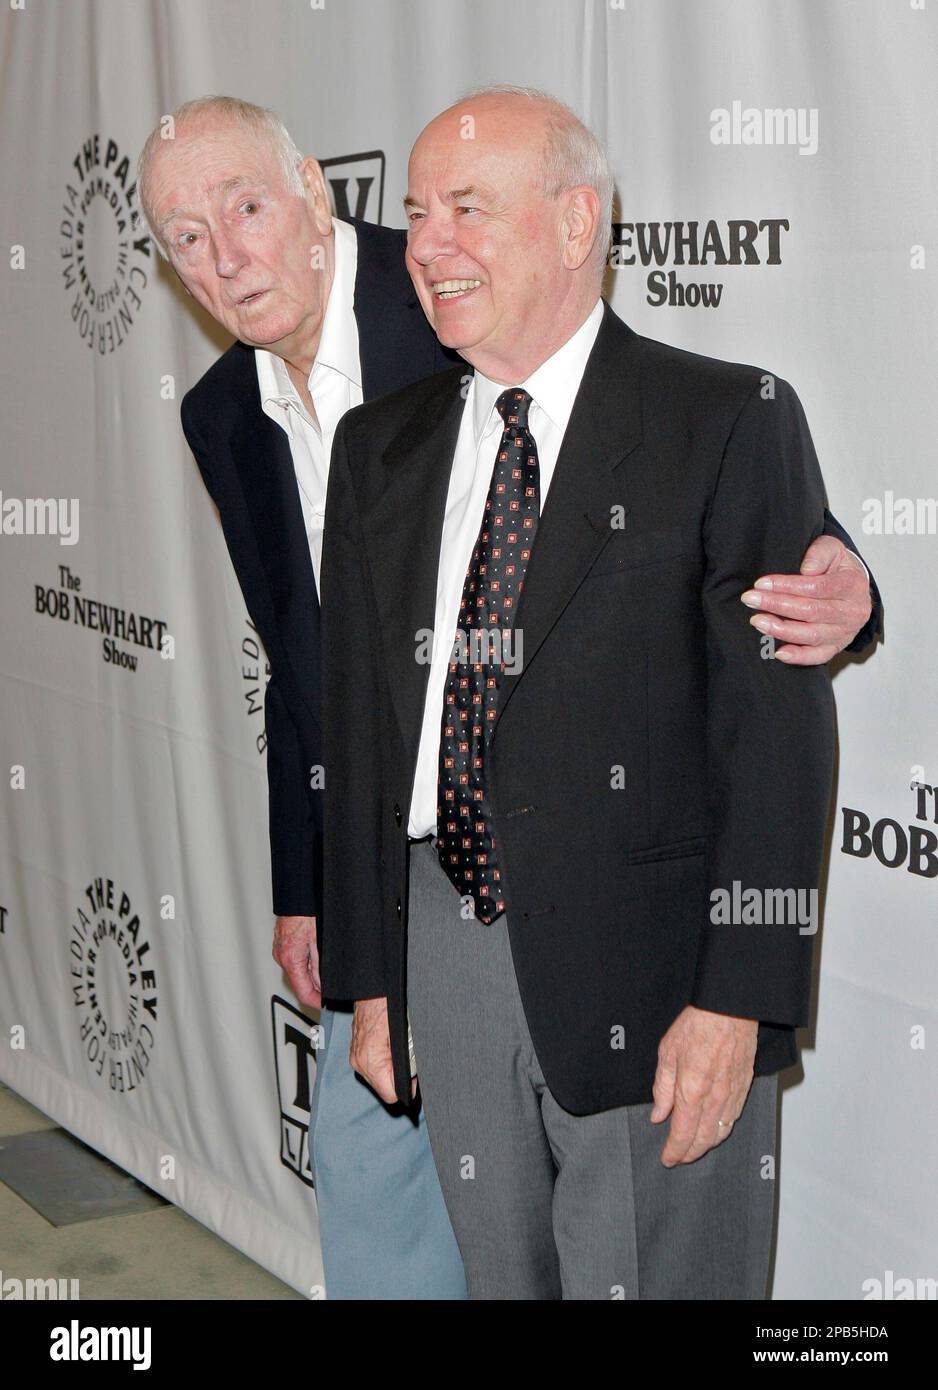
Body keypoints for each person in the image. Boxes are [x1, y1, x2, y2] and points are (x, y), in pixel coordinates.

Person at [320, 84, 883, 1300]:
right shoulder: (379, 448)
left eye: (469, 206)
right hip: (445, 956)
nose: (427, 242)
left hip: (656, 963)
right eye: (417, 213)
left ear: (576, 225)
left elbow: (775, 739)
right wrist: (375, 981)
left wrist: (735, 1001)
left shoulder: (725, 418)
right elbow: (364, 741)